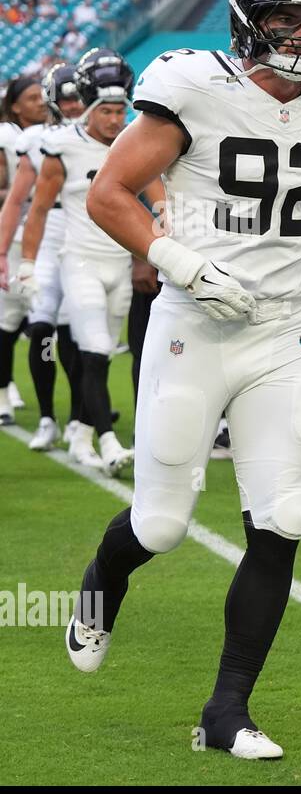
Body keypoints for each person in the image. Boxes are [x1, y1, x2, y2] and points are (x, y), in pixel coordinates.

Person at [61, 0, 301, 760]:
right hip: (193, 325)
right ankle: (104, 576)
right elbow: (107, 194)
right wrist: (179, 261)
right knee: (162, 524)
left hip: (282, 332)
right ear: (249, 22)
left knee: (284, 518)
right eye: (287, 20)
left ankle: (227, 709)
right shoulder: (194, 86)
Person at [20, 49, 158, 476]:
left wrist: (162, 236)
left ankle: (81, 433)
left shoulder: (134, 145)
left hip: (118, 263)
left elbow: (159, 199)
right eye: (109, 111)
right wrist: (26, 262)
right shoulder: (62, 147)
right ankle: (110, 441)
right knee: (96, 349)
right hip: (77, 260)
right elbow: (39, 210)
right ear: (92, 108)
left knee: (99, 353)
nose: (116, 120)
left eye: (121, 111)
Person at [0, 63, 84, 450]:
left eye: (75, 96)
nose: (71, 105)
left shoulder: (106, 133)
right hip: (46, 235)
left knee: (83, 335)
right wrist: (3, 253)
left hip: (89, 237)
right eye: (64, 97)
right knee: (40, 326)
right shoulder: (34, 138)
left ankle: (83, 418)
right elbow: (18, 199)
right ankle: (49, 417)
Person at [0, 74, 47, 424]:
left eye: (42, 96)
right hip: (17, 235)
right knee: (10, 317)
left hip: (51, 235)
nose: (40, 102)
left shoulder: (53, 134)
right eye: (31, 98)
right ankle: (3, 391)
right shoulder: (7, 136)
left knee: (48, 321)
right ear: (15, 105)